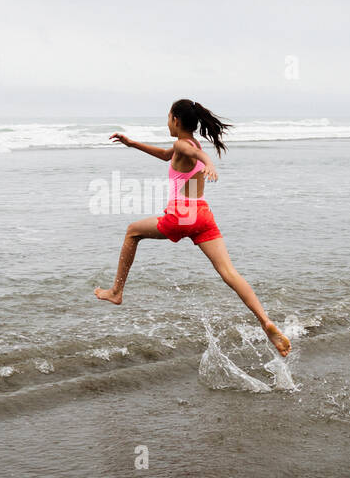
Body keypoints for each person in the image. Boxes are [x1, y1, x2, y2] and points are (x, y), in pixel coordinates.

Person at [93, 99, 291, 357]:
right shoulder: (188, 145)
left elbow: (199, 155)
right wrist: (132, 144)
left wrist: (209, 162)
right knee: (229, 273)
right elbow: (167, 155)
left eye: (168, 118)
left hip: (182, 215)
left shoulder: (184, 146)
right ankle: (265, 321)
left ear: (176, 119)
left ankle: (116, 291)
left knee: (132, 231)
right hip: (202, 215)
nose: (167, 122)